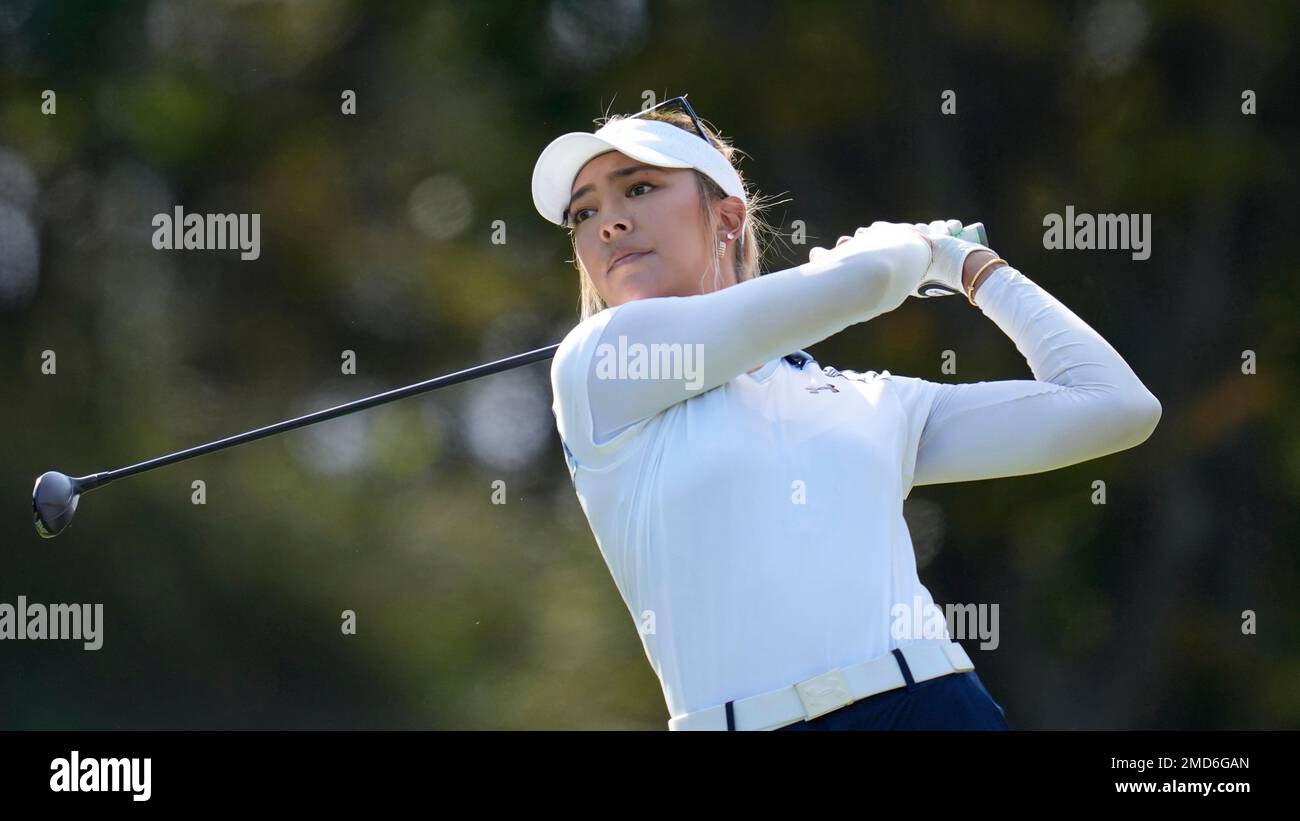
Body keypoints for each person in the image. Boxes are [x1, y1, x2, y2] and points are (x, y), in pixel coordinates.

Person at [530, 96, 1161, 731]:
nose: (607, 223)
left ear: (727, 217)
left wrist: (976, 270)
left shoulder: (873, 400)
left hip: (932, 705)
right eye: (584, 213)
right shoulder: (598, 366)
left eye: (638, 188)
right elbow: (867, 281)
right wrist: (916, 246)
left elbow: (1114, 406)